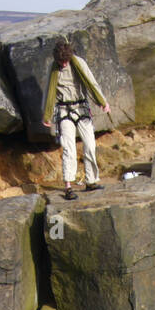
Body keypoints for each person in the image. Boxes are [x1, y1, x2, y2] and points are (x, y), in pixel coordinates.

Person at [42, 37, 111, 200]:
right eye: (61, 62)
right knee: (68, 148)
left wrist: (103, 102)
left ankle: (91, 180)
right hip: (64, 111)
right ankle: (68, 186)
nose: (63, 64)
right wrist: (46, 114)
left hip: (81, 109)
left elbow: (91, 83)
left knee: (90, 144)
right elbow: (48, 93)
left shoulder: (79, 63)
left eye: (65, 61)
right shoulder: (53, 70)